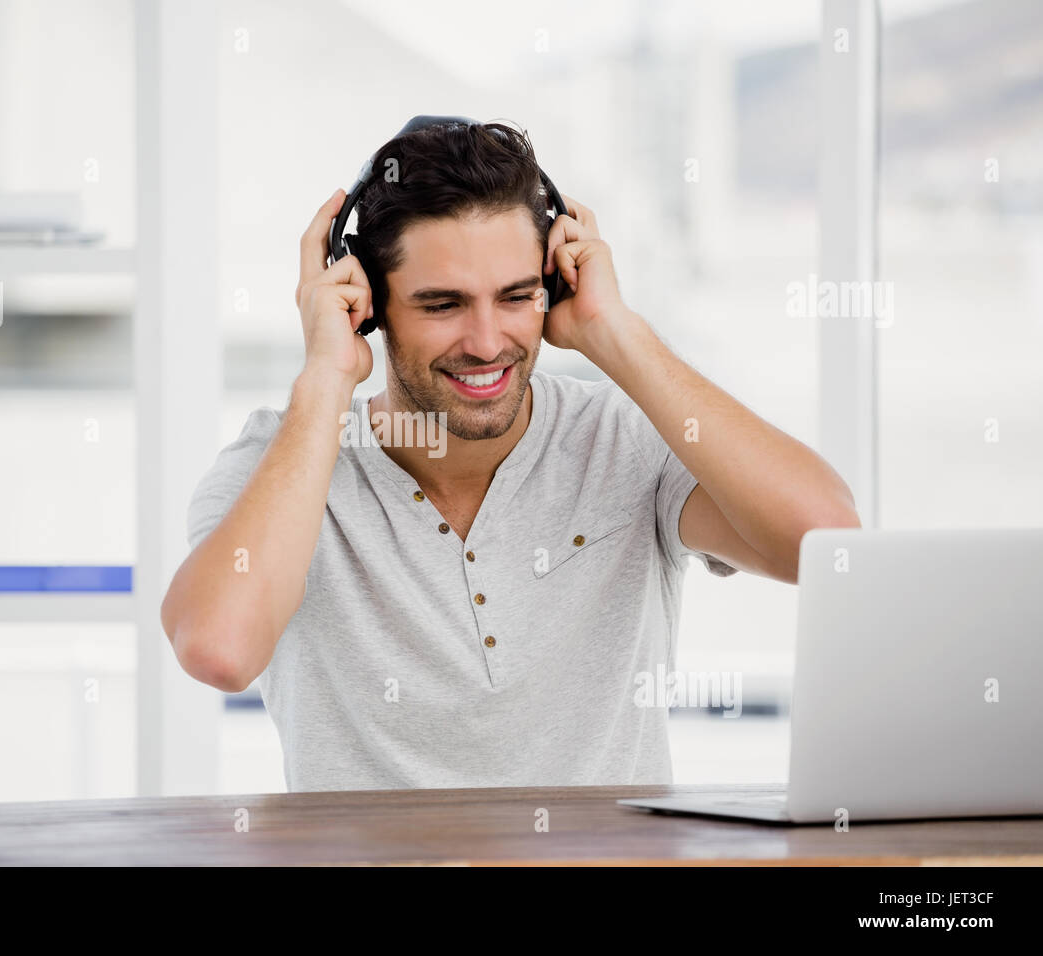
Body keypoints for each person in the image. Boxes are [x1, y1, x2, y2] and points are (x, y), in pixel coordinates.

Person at [161, 120, 860, 792]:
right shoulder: (286, 456)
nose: (488, 341)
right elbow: (220, 648)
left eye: (518, 296)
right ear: (368, 305)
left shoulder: (624, 440)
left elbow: (827, 543)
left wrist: (615, 333)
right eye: (443, 305)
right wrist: (323, 381)